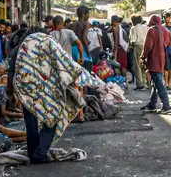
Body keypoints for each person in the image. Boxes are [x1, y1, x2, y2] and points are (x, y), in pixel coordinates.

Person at [11, 30, 103, 164]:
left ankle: (32, 153)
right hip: (45, 90)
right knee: (52, 119)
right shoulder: (48, 42)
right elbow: (65, 62)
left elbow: (12, 71)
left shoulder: (21, 48)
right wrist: (87, 77)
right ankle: (40, 153)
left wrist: (13, 90)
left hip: (25, 88)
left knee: (31, 122)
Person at [141, 14, 171, 115]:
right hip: (163, 60)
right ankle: (152, 104)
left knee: (159, 83)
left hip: (154, 60)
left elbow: (148, 46)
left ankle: (167, 105)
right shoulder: (166, 31)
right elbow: (168, 44)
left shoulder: (152, 30)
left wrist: (143, 56)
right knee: (155, 82)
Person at [128, 15, 149, 89]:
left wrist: (130, 47)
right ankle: (145, 82)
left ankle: (140, 84)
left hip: (137, 46)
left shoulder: (133, 28)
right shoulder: (145, 27)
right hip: (145, 46)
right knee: (144, 65)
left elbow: (133, 40)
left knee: (137, 66)